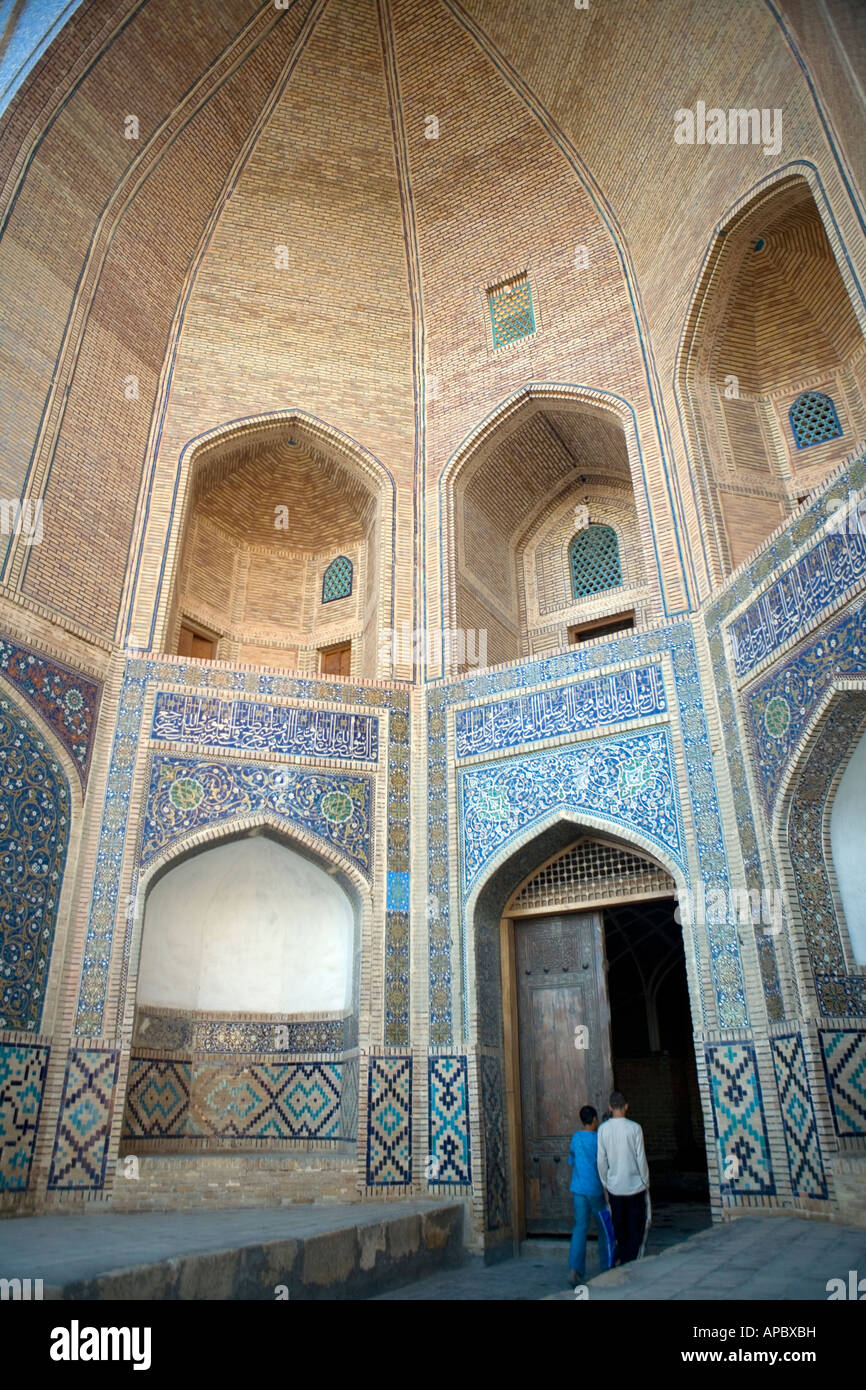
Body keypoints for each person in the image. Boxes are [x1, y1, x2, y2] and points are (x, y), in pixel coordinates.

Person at [596, 1090, 650, 1265]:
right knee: (636, 1227)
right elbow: (641, 1158)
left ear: (610, 1107)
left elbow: (601, 1161)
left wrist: (605, 1183)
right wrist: (645, 1181)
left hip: (615, 1188)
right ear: (626, 1106)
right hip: (635, 1187)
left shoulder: (603, 1129)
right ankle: (631, 1262)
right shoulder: (634, 1128)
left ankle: (623, 1260)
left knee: (620, 1227)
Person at [567, 1104, 614, 1287]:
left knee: (579, 1229)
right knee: (603, 1229)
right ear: (594, 1120)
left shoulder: (576, 1138)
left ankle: (574, 1270)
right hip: (595, 1191)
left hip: (578, 1190)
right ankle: (606, 1269)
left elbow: (571, 1159)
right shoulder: (598, 1139)